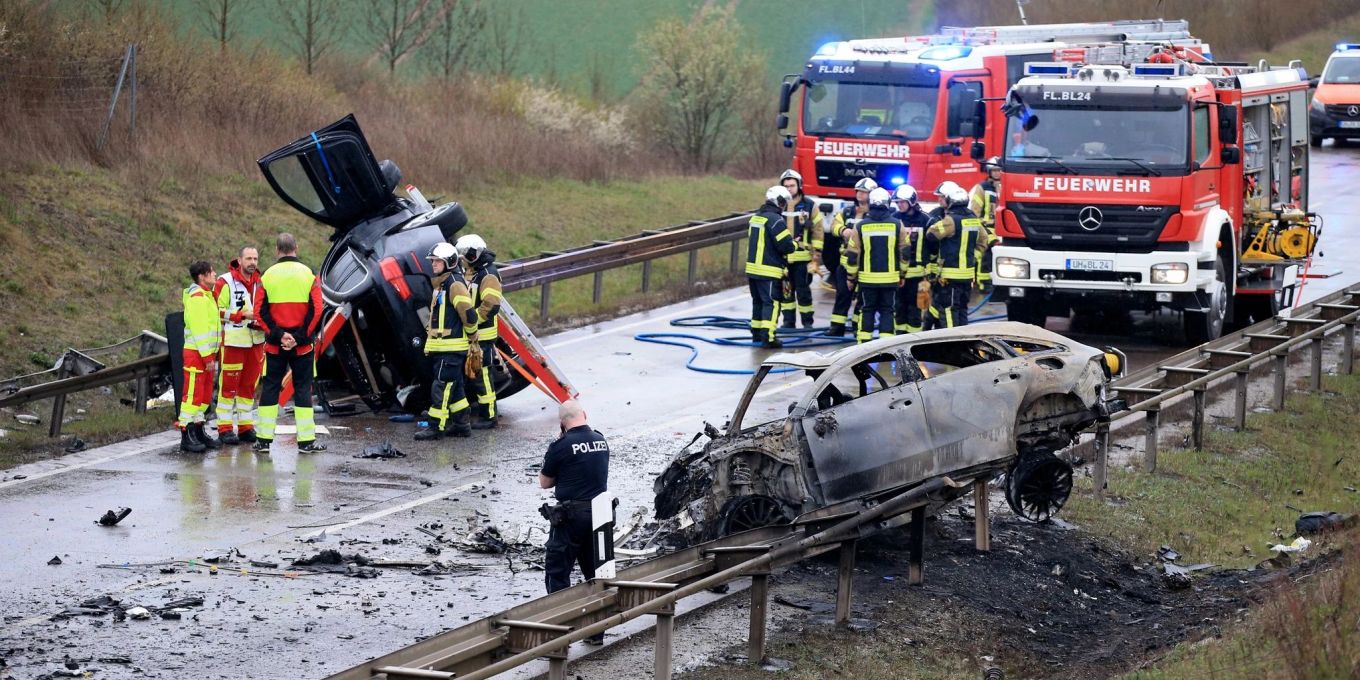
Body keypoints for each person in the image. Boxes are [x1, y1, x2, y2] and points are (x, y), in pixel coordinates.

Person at [539, 399, 611, 643]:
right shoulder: (601, 440)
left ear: (562, 422)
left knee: (558, 573)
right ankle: (596, 632)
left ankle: (559, 634)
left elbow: (545, 482)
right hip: (600, 515)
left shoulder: (561, 445)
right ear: (585, 414)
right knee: (595, 573)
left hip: (570, 518)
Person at [252, 233, 325, 453]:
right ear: (296, 248)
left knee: (270, 388)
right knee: (302, 389)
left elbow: (259, 312)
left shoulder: (267, 276)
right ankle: (306, 442)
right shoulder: (309, 274)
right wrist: (298, 338)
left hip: (275, 346)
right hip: (302, 347)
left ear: (277, 250)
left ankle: (263, 440)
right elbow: (317, 310)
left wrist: (279, 335)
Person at [416, 242, 478, 441]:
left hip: (451, 349)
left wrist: (473, 337)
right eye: (432, 261)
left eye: (437, 261)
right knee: (455, 388)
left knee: (441, 388)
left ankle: (436, 427)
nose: (433, 264)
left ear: (449, 262)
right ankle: (461, 425)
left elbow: (469, 314)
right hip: (443, 348)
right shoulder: (443, 284)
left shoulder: (454, 284)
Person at [212, 246, 265, 446]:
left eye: (255, 259)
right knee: (228, 386)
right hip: (233, 341)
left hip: (256, 340)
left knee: (249, 386)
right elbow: (216, 311)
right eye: (249, 258)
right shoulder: (225, 281)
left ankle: (245, 426)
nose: (253, 262)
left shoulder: (261, 282)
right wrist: (241, 315)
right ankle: (224, 428)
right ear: (239, 260)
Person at [843, 187, 910, 343]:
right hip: (890, 279)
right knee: (888, 310)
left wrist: (851, 278)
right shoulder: (897, 225)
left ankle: (863, 346)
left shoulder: (860, 226)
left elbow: (853, 255)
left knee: (867, 310)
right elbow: (905, 252)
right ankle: (886, 346)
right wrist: (902, 274)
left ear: (870, 203)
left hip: (867, 280)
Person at [456, 234, 503, 430]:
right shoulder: (474, 271)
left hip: (482, 335)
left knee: (483, 377)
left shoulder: (488, 275)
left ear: (473, 255)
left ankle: (489, 417)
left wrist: (471, 320)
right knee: (474, 375)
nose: (462, 262)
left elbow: (490, 305)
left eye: (464, 257)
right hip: (473, 334)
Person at [924, 184, 982, 329]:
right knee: (962, 308)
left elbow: (931, 234)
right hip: (968, 274)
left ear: (951, 202)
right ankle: (964, 337)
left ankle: (951, 339)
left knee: (949, 309)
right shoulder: (974, 219)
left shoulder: (951, 220)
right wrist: (972, 258)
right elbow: (983, 241)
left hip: (950, 274)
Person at [746, 185, 797, 348]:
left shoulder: (756, 217)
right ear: (779, 201)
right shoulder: (776, 220)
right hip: (768, 270)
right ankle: (768, 337)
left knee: (758, 302)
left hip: (752, 269)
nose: (784, 206)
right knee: (771, 302)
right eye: (784, 203)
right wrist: (795, 244)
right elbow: (786, 246)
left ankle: (756, 333)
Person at [826, 178, 878, 336]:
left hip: (865, 264)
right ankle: (837, 327)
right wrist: (843, 230)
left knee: (863, 298)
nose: (860, 194)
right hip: (845, 262)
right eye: (858, 191)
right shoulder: (847, 212)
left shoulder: (876, 214)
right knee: (842, 294)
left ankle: (858, 326)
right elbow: (834, 225)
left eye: (864, 192)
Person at [179, 260, 221, 453]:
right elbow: (200, 331)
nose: (215, 274)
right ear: (202, 277)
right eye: (211, 272)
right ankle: (186, 434)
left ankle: (198, 429)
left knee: (203, 396)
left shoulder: (206, 296)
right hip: (197, 354)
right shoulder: (197, 298)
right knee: (192, 396)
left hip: (205, 354)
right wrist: (207, 357)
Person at [777, 170, 821, 329]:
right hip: (783, 258)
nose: (789, 189)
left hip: (803, 258)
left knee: (803, 292)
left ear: (799, 186)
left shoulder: (809, 205)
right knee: (786, 291)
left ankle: (807, 322)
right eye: (786, 186)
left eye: (792, 185)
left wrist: (816, 255)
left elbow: (818, 230)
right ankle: (788, 322)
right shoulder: (778, 205)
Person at [892, 184, 933, 334]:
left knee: (916, 307)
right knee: (899, 306)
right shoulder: (894, 219)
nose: (899, 205)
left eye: (902, 202)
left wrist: (930, 269)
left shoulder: (926, 220)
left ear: (912, 202)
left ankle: (913, 336)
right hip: (898, 273)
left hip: (918, 273)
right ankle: (899, 336)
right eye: (897, 202)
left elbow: (933, 246)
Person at [968, 157, 1003, 293]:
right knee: (986, 254)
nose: (997, 173)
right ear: (989, 172)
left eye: (999, 170)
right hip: (986, 227)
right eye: (994, 170)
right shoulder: (982, 188)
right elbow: (975, 210)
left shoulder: (1007, 186)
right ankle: (984, 283)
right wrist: (979, 228)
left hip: (1004, 228)